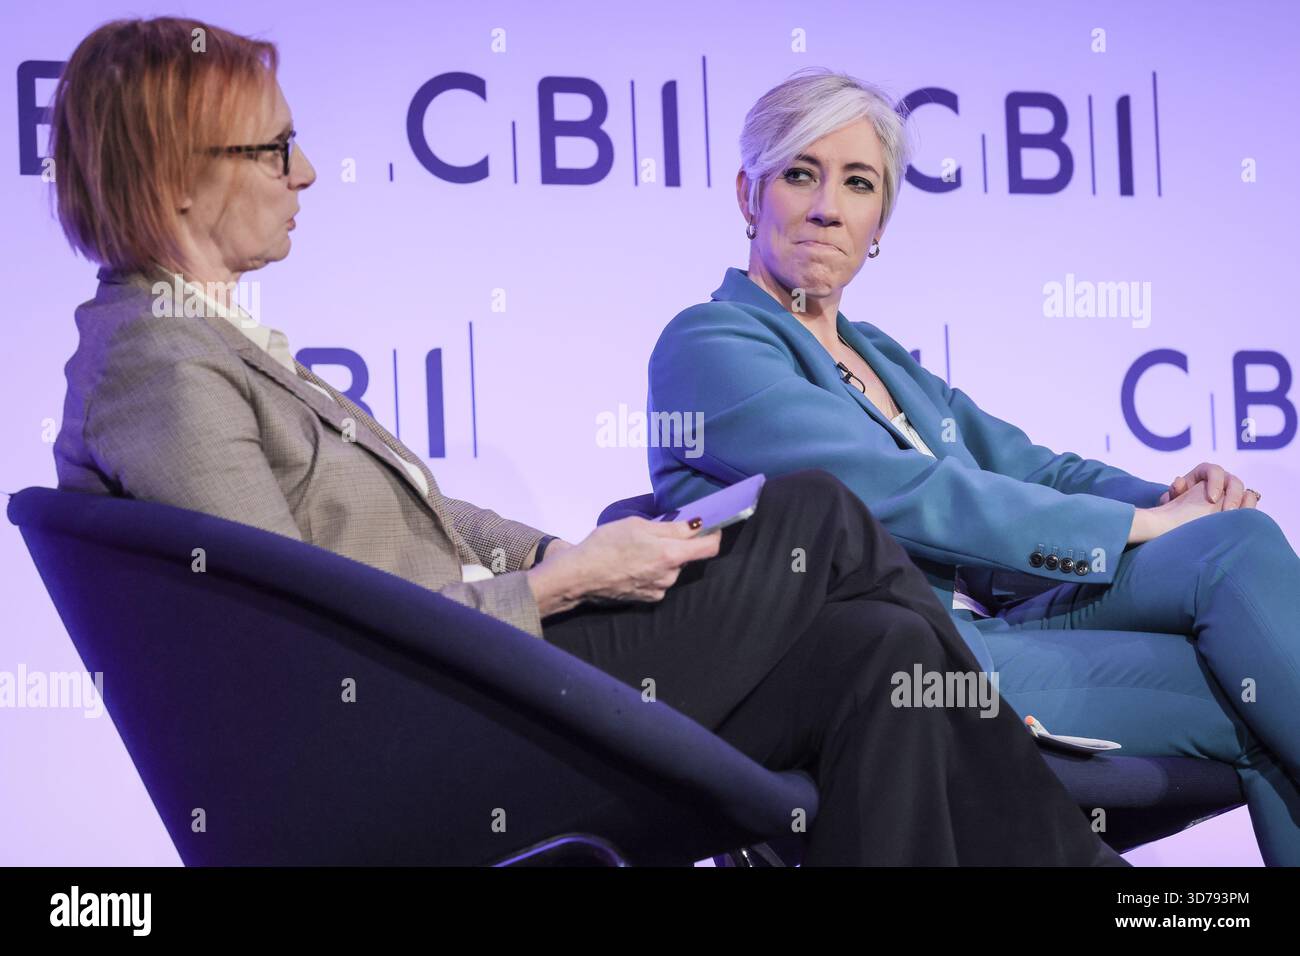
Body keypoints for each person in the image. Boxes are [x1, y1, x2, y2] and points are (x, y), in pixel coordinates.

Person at [48, 18, 1128, 865]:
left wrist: (579, 554)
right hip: (417, 724)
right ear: (178, 171)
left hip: (464, 671)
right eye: (277, 146)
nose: (308, 171)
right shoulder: (159, 366)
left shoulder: (207, 344)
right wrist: (560, 590)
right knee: (811, 513)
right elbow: (288, 646)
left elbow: (425, 526)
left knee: (880, 656)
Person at [647, 67, 1300, 864]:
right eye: (799, 174)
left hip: (997, 628)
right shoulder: (710, 344)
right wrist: (1137, 526)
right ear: (749, 196)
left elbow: (1030, 468)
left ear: (879, 220)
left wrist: (1173, 499)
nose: (827, 207)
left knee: (1236, 544)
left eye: (858, 183)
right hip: (898, 672)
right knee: (1257, 701)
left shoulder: (879, 357)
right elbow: (896, 493)